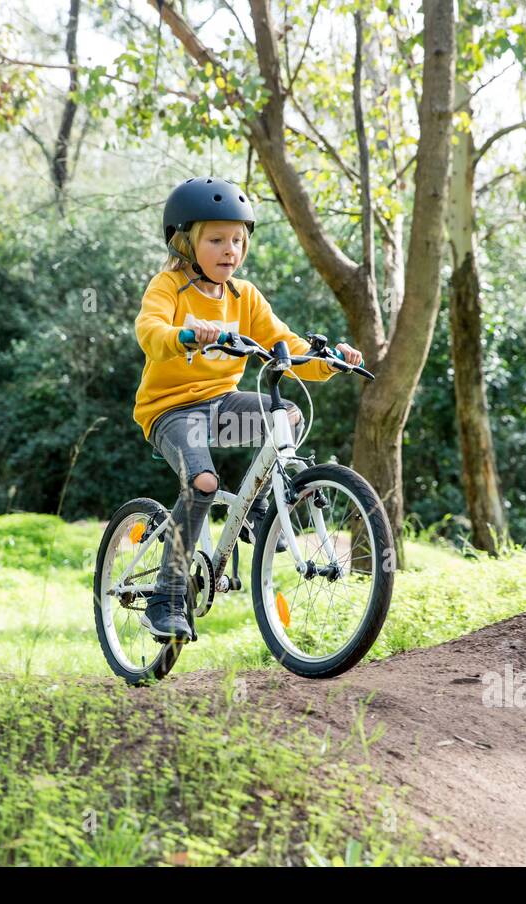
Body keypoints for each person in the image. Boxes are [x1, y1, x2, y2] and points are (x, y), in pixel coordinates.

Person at [133, 176, 363, 640]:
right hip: (171, 411)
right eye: (216, 239)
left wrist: (329, 361)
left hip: (222, 406)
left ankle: (259, 511)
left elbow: (285, 344)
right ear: (184, 241)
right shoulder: (170, 287)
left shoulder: (244, 296)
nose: (229, 250)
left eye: (237, 240)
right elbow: (149, 331)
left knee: (288, 416)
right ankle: (165, 596)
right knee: (202, 483)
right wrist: (181, 336)